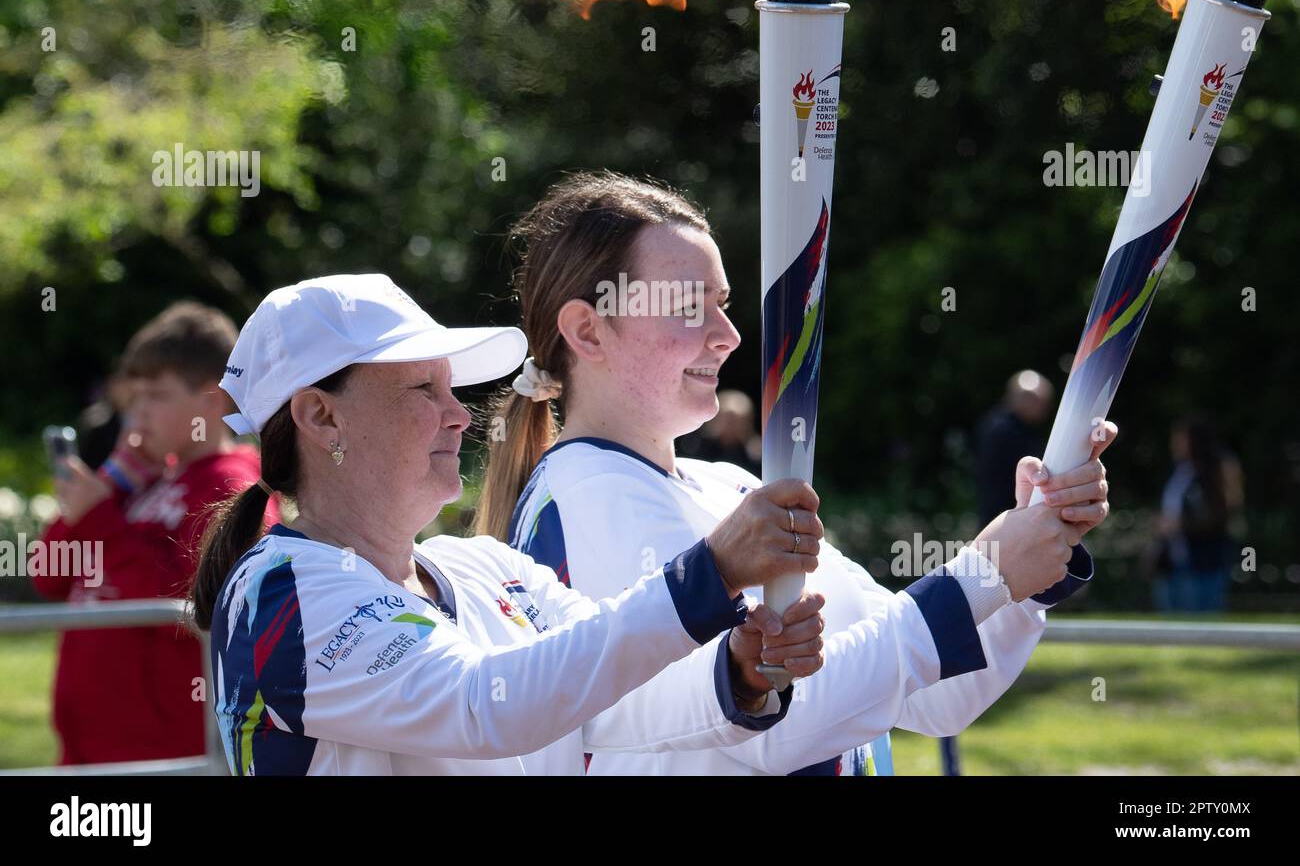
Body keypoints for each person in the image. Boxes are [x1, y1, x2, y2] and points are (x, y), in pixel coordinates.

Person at [477, 171, 1119, 776]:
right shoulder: (582, 494)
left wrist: (1029, 562)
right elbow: (764, 722)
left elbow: (934, 697)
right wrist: (985, 573)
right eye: (688, 306)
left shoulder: (732, 487)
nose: (727, 335)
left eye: (722, 304)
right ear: (588, 330)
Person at [191, 273, 828, 776]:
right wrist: (710, 571)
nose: (458, 416)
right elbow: (484, 705)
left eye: (451, 390)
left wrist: (739, 674)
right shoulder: (277, 591)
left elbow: (611, 700)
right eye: (422, 389)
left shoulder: (484, 565)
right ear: (321, 418)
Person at [32, 301, 277, 765]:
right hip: (88, 749)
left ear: (211, 400)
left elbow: (200, 607)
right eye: (134, 397)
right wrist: (109, 486)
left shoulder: (231, 486)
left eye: (156, 397)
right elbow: (48, 577)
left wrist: (101, 515)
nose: (137, 414)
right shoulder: (140, 483)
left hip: (165, 755)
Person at [1148, 416, 1242, 612]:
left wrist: (1181, 524)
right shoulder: (1179, 471)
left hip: (1204, 560)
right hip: (1172, 560)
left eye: (1180, 438)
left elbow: (1225, 512)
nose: (1174, 444)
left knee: (1203, 624)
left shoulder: (1220, 467)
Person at [974, 371, 1055, 526]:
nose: (1044, 407)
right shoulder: (1004, 431)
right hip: (1004, 520)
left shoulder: (1022, 429)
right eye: (1035, 400)